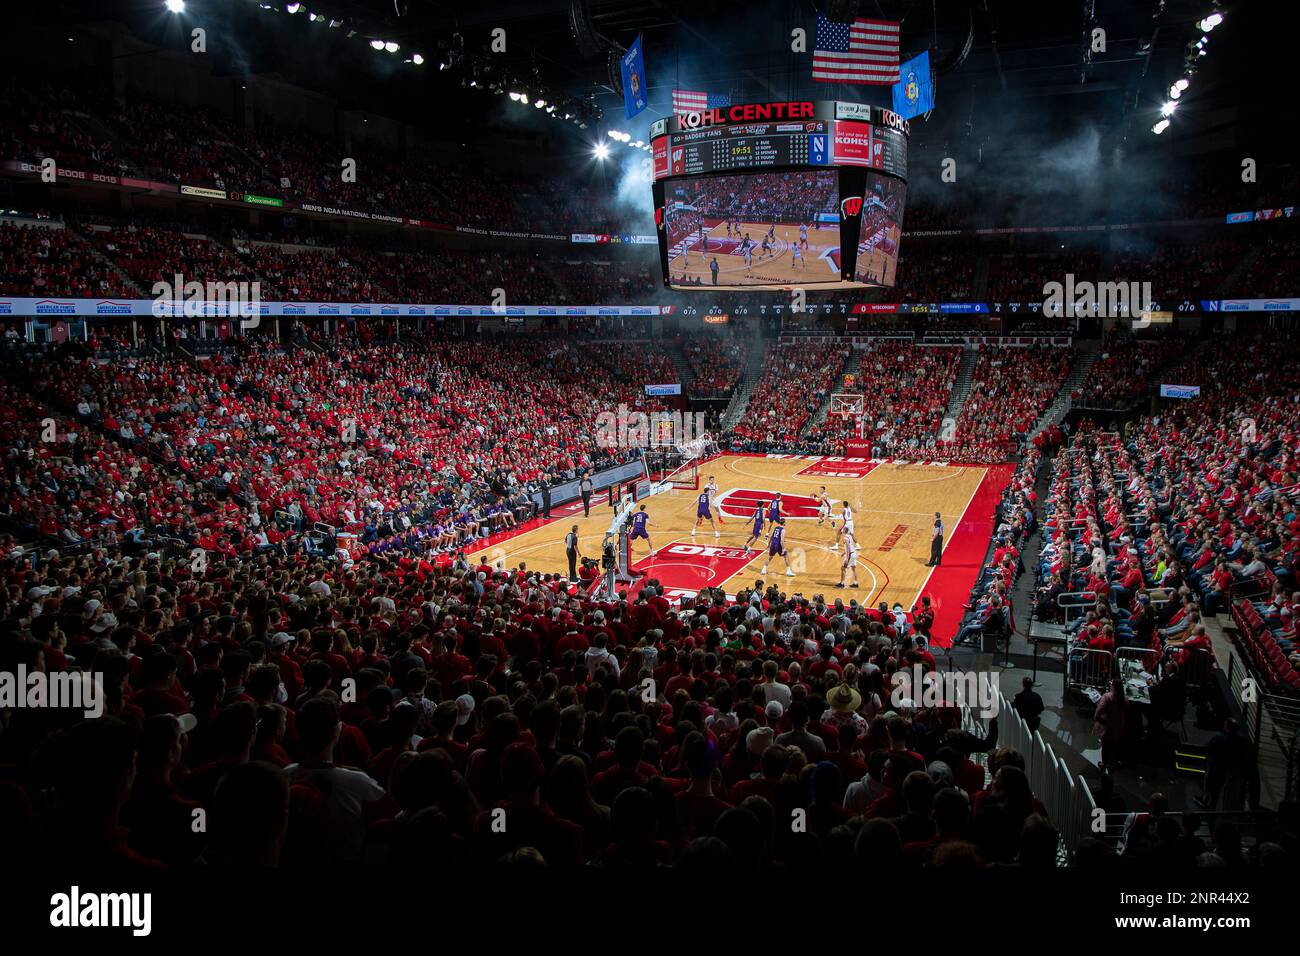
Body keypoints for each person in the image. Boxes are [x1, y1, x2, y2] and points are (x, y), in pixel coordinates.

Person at [1093, 678, 1127, 770]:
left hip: (1108, 728)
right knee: (1114, 746)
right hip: (1119, 728)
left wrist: (1100, 721)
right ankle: (1113, 764)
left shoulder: (1107, 697)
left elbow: (1098, 713)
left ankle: (1104, 765)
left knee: (1105, 747)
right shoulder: (1124, 699)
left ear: (1113, 687)